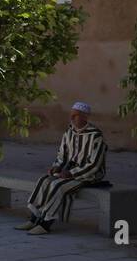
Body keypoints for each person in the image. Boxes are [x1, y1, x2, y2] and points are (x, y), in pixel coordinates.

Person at [17, 101, 106, 235]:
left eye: (75, 115)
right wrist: (57, 167)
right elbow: (61, 155)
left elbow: (94, 164)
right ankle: (34, 218)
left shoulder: (96, 136)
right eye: (71, 115)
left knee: (57, 186)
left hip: (88, 175)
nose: (72, 118)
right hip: (67, 171)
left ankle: (46, 224)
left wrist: (71, 173)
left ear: (85, 117)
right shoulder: (68, 132)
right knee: (44, 180)